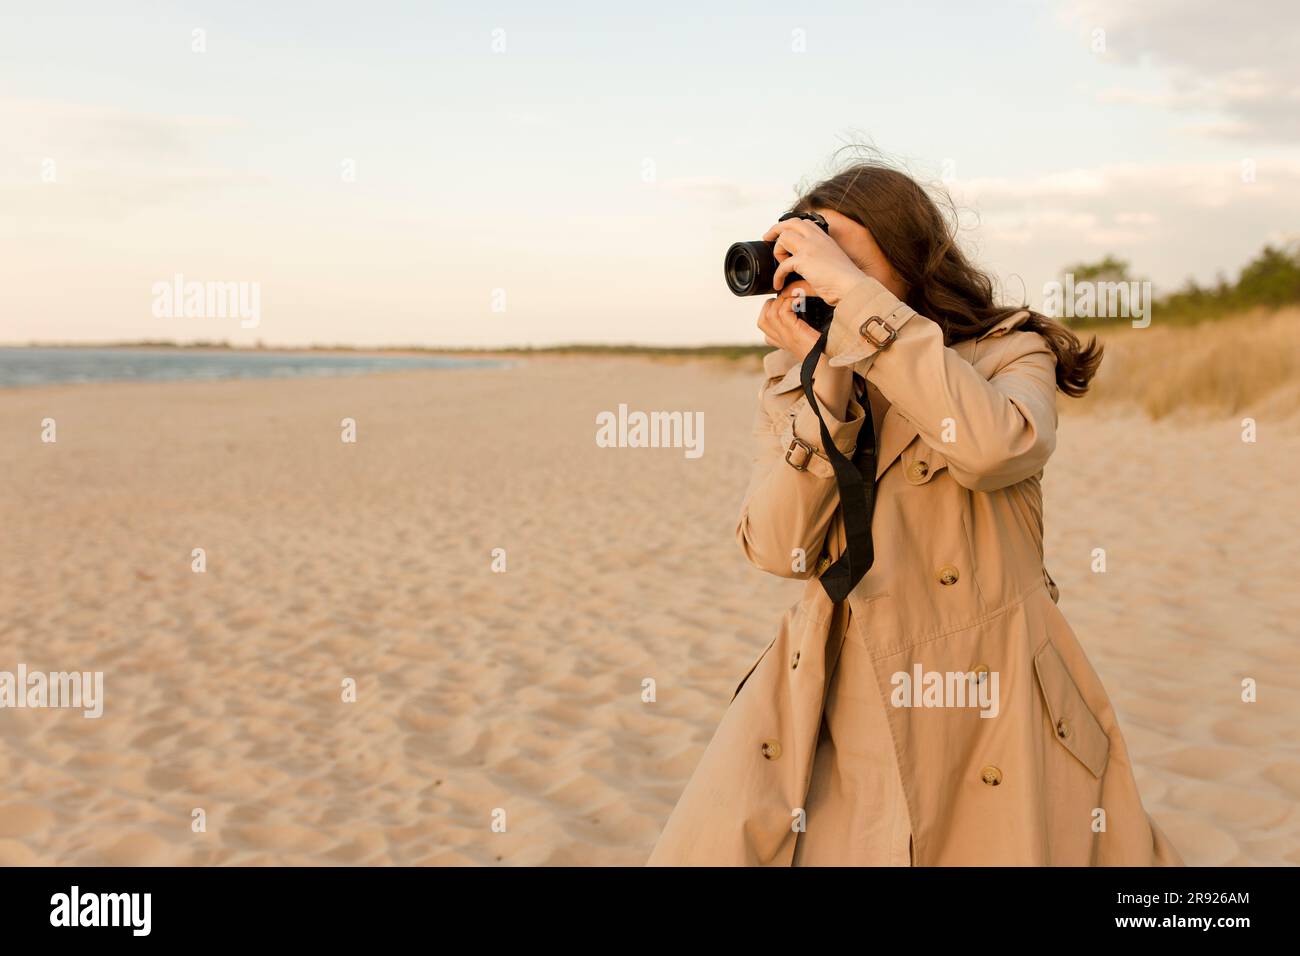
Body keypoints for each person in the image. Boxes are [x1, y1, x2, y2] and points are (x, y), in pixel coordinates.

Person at [647, 160, 1184, 866]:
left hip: (990, 698)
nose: (810, 271)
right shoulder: (798, 375)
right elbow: (780, 550)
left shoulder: (1008, 352)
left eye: (833, 251)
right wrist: (828, 381)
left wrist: (862, 317)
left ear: (900, 258)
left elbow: (993, 449)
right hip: (843, 697)